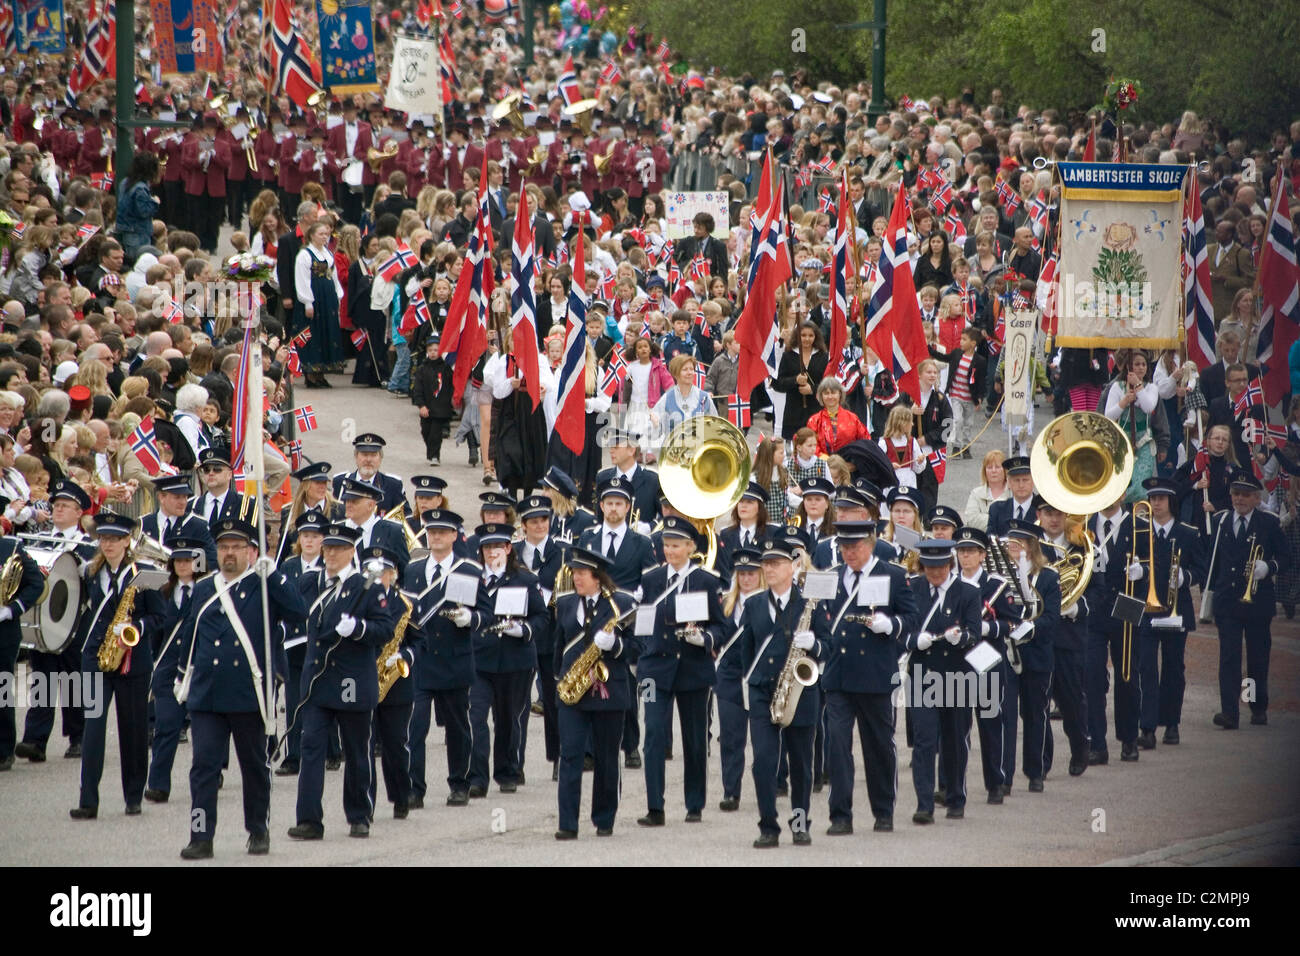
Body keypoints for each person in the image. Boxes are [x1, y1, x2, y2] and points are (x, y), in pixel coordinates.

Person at [175, 519, 307, 858]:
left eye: (236, 547)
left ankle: (258, 830)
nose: (229, 554)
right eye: (223, 548)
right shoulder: (205, 588)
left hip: (249, 694)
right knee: (203, 769)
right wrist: (181, 678)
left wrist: (274, 576)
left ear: (251, 551)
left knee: (254, 767)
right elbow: (190, 635)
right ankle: (200, 835)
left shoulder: (263, 585)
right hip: (208, 694)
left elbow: (298, 613)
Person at [288, 522, 394, 841]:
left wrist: (359, 628)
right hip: (318, 680)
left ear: (351, 552)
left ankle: (359, 814)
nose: (331, 553)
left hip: (351, 680)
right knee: (311, 748)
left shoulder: (368, 586)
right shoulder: (309, 582)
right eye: (327, 547)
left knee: (356, 750)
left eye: (338, 548)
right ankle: (308, 819)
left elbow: (385, 629)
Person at [70, 511, 168, 819]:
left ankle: (133, 795)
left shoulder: (147, 573)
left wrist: (135, 628)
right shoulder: (89, 572)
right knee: (93, 729)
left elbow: (160, 617)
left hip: (132, 662)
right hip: (96, 658)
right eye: (103, 539)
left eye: (114, 539)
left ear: (127, 541)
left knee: (133, 730)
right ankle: (88, 800)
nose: (108, 545)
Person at [823, 520, 918, 835]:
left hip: (876, 674)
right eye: (844, 547)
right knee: (836, 744)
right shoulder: (833, 576)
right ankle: (840, 815)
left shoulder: (893, 575)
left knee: (878, 745)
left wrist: (890, 625)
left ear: (871, 544)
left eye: (856, 546)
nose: (849, 553)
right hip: (838, 674)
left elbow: (912, 617)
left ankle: (883, 810)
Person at [738, 536, 831, 848]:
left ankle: (801, 824)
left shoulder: (810, 604)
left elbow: (829, 647)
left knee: (802, 765)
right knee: (763, 761)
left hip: (801, 694)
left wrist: (814, 645)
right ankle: (768, 826)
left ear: (793, 567)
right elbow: (745, 653)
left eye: (776, 563)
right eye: (767, 564)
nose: (770, 569)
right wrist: (755, 682)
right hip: (765, 693)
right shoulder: (752, 605)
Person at [636, 517, 725, 826]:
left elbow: (722, 625)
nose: (670, 551)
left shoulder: (707, 580)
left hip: (693, 667)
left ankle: (695, 804)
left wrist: (706, 639)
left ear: (690, 547)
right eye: (666, 545)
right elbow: (642, 621)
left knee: (695, 739)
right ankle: (655, 807)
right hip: (654, 668)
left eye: (676, 545)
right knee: (654, 735)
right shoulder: (651, 579)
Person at [552, 546, 637, 839]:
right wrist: (558, 679)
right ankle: (567, 823)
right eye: (574, 572)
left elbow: (638, 648)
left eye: (582, 573)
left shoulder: (621, 603)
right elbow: (558, 645)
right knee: (571, 755)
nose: (576, 578)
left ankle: (604, 818)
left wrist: (614, 646)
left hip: (608, 692)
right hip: (572, 692)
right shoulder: (564, 604)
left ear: (597, 577)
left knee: (606, 757)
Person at [404, 508, 481, 807]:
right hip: (421, 662)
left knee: (458, 727)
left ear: (454, 536)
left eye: (442, 532)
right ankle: (414, 788)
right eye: (431, 531)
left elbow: (487, 613)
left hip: (454, 660)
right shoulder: (412, 571)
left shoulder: (468, 570)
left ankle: (459, 783)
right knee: (415, 727)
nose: (435, 536)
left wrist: (470, 618)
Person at [901, 538, 981, 823]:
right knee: (924, 741)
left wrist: (962, 638)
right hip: (923, 674)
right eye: (929, 567)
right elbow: (902, 630)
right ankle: (924, 804)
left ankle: (956, 797)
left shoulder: (967, 593)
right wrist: (913, 640)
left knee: (954, 739)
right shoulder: (914, 589)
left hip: (956, 674)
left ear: (950, 564)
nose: (934, 573)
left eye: (940, 567)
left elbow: (975, 632)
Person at [15, 480, 95, 763]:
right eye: (56, 505)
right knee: (43, 680)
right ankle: (35, 740)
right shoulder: (38, 541)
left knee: (74, 678)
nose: (58, 510)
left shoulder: (88, 546)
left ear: (78, 513)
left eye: (65, 506)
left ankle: (79, 737)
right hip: (43, 622)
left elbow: (94, 581)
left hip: (75, 621)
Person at [467, 523, 546, 796]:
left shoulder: (525, 580)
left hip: (515, 661)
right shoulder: (472, 579)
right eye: (487, 547)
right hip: (479, 660)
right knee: (475, 717)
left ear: (508, 548)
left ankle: (507, 771)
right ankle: (477, 777)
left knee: (508, 720)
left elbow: (542, 617)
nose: (492, 552)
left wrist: (523, 629)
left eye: (497, 547)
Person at [1204, 470, 1287, 730]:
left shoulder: (1269, 523)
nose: (1239, 499)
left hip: (1257, 603)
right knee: (1229, 658)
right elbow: (1213, 559)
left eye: (1245, 494)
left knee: (1256, 658)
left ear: (1256, 497)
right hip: (1228, 601)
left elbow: (1287, 558)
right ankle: (1230, 712)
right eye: (1236, 494)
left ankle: (1255, 704)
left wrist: (1268, 567)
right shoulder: (1220, 521)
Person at [1133, 476, 1204, 748]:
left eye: (1161, 499)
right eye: (1152, 498)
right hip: (1146, 609)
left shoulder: (1188, 533)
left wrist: (1187, 576)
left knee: (1174, 668)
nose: (1156, 503)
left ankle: (1171, 723)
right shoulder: (1140, 532)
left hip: (1176, 609)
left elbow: (1200, 567)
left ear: (1171, 501)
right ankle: (1147, 726)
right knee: (1146, 668)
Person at [142, 537, 205, 805]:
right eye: (178, 560)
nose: (182, 565)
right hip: (168, 670)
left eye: (187, 560)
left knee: (204, 731)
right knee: (166, 726)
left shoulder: (207, 590)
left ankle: (209, 777)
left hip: (199, 668)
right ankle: (157, 784)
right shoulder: (163, 592)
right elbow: (156, 634)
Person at [1001, 519, 1061, 792]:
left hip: (1036, 655)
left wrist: (1031, 627)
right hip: (1008, 655)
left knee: (1035, 715)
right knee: (1006, 718)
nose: (1014, 548)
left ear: (1031, 547)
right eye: (1011, 544)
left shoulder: (1048, 577)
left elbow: (1052, 618)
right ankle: (1005, 776)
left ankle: (1035, 772)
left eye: (1019, 544)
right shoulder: (999, 578)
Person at [364, 546, 419, 820]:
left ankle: (400, 796)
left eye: (382, 573)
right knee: (363, 745)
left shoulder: (406, 604)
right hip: (364, 681)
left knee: (396, 744)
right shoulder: (357, 601)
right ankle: (365, 806)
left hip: (396, 683)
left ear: (392, 574)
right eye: (371, 573)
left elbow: (420, 641)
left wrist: (404, 655)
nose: (377, 578)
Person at [715, 547, 763, 812]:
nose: (746, 579)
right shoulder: (725, 604)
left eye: (751, 573)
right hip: (730, 676)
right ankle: (730, 791)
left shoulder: (768, 603)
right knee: (732, 737)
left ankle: (767, 786)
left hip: (758, 675)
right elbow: (718, 636)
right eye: (742, 574)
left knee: (762, 738)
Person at [0, 510, 44, 771]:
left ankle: (4, 748)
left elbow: (36, 583)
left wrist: (12, 609)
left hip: (3, 629)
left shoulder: (11, 547)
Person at [293, 219, 346, 389]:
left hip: (327, 298)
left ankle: (321, 372)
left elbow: (334, 275)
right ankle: (311, 374)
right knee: (313, 333)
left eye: (326, 234)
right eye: (321, 234)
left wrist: (338, 296)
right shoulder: (305, 255)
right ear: (312, 236)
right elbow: (302, 280)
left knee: (326, 332)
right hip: (314, 298)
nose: (325, 237)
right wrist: (308, 302)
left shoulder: (329, 253)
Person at [773, 322, 829, 441]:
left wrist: (812, 390)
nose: (807, 339)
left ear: (816, 337)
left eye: (810, 335)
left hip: (816, 411)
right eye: (803, 335)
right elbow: (779, 384)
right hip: (793, 413)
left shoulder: (823, 356)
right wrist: (795, 380)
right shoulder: (789, 355)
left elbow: (828, 383)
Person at [412, 334, 454, 466]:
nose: (433, 353)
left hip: (441, 407)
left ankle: (435, 455)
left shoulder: (446, 368)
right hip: (427, 406)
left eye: (436, 350)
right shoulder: (422, 369)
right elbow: (417, 389)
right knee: (426, 431)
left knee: (436, 433)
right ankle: (431, 452)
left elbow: (452, 384)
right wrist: (421, 405)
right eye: (430, 350)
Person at [806, 376, 871, 455]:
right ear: (821, 396)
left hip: (849, 464)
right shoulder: (814, 421)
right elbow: (809, 445)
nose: (830, 397)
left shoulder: (853, 418)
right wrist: (824, 460)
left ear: (840, 394)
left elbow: (866, 441)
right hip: (822, 465)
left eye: (833, 393)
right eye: (826, 393)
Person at [963, 450, 1009, 532]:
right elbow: (971, 519)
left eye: (997, 467)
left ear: (1005, 470)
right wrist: (1001, 521)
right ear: (984, 471)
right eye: (989, 467)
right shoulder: (976, 493)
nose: (993, 471)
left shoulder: (1013, 493)